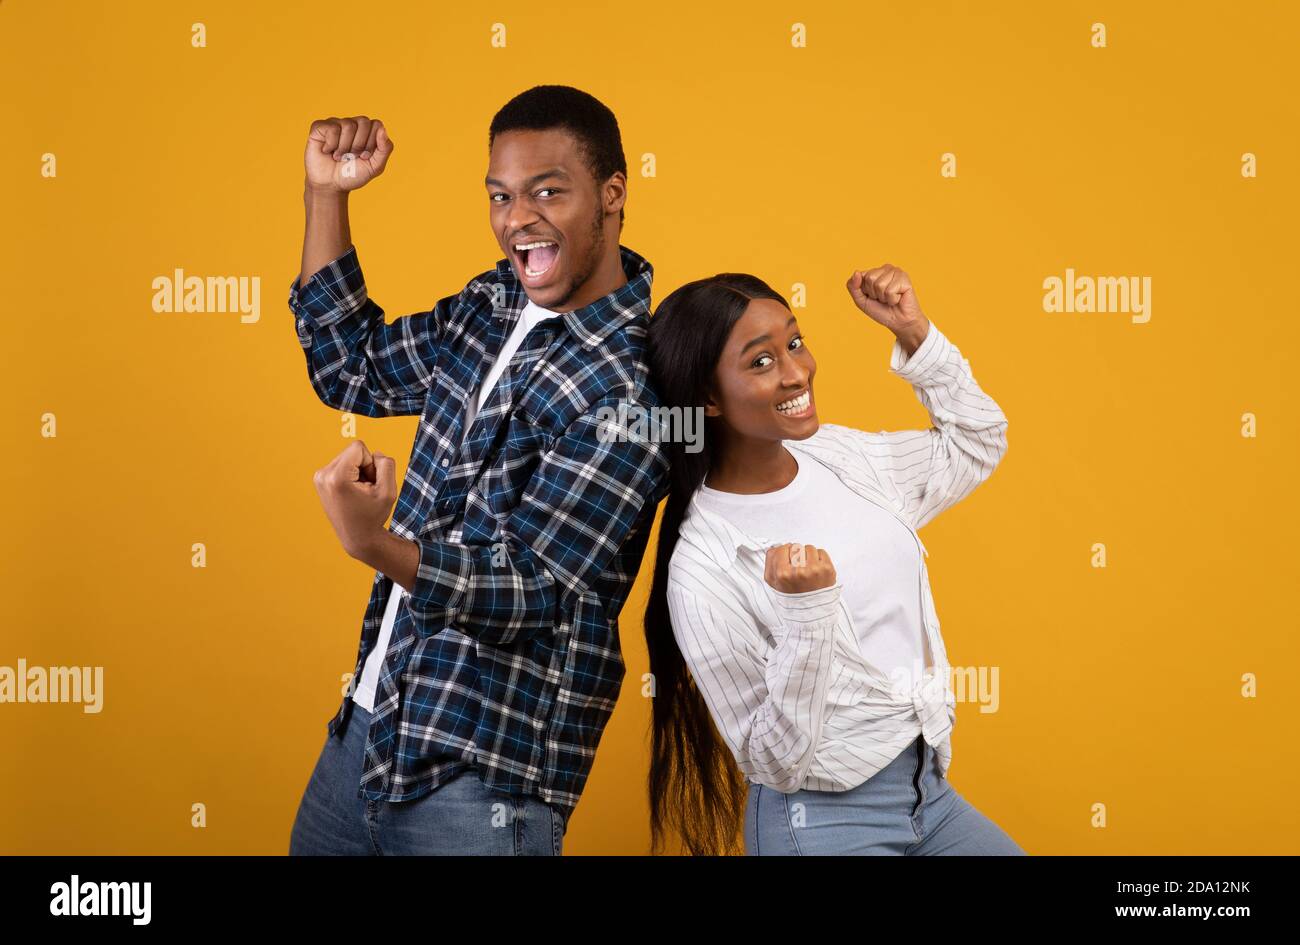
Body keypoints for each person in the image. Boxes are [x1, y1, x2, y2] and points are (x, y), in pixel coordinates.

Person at [287, 86, 670, 855]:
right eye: (500, 196)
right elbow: (351, 367)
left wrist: (373, 545)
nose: (516, 219)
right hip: (369, 726)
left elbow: (534, 590)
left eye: (547, 192)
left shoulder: (635, 386)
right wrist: (324, 194)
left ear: (613, 194)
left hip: (482, 780)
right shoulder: (491, 304)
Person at [642, 263, 1025, 855]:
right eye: (761, 361)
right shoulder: (703, 564)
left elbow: (975, 443)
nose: (797, 373)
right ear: (708, 400)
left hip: (928, 794)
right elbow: (772, 760)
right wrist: (806, 616)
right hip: (820, 822)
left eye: (794, 343)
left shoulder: (842, 459)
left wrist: (914, 334)